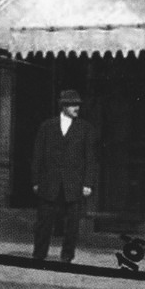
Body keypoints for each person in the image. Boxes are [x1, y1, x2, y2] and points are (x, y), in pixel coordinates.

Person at [31, 89, 97, 263]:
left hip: (74, 184)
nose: (77, 108)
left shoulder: (85, 128)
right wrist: (36, 180)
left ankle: (67, 256)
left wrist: (88, 183)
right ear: (63, 106)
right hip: (49, 182)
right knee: (44, 222)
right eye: (73, 104)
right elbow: (38, 155)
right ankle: (39, 255)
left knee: (72, 224)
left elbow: (90, 158)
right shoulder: (47, 126)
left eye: (78, 105)